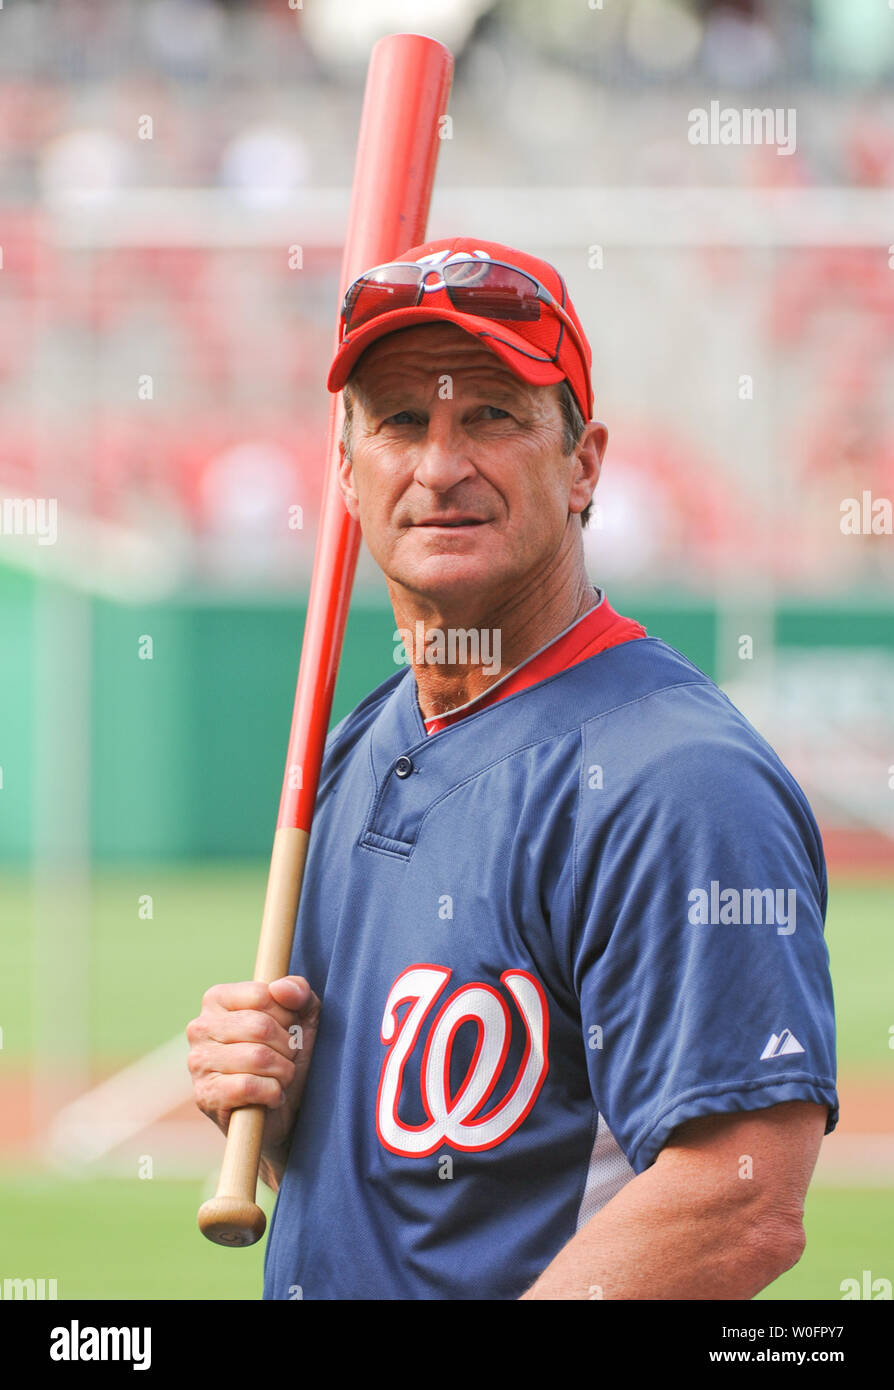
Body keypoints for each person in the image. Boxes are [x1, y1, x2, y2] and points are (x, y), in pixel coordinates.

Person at [187, 237, 838, 1300]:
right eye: (402, 420)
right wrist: (294, 1103)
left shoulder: (676, 778)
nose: (440, 465)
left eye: (490, 413)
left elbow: (741, 1200)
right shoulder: (367, 739)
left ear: (584, 463)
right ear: (347, 472)